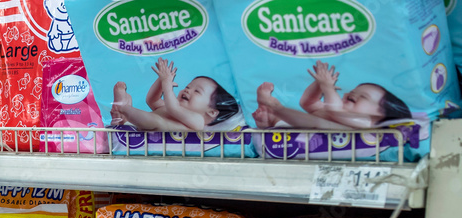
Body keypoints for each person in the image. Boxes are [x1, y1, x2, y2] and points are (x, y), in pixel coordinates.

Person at [253, 61, 411, 130]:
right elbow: (307, 103)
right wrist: (319, 84)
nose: (353, 93)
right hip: (292, 128)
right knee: (277, 121)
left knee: (318, 123)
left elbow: (336, 112)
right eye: (353, 91)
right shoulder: (334, 108)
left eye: (363, 97)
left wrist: (328, 88)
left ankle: (273, 109)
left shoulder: (369, 122)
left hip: (312, 132)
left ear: (383, 115)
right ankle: (269, 117)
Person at [109, 58, 239, 132]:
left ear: (211, 112)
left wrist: (167, 83)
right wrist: (161, 80)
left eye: (197, 91)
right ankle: (122, 113)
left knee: (157, 121)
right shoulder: (172, 106)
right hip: (136, 125)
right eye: (188, 87)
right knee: (129, 100)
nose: (187, 90)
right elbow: (152, 100)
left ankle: (124, 109)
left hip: (151, 127)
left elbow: (173, 108)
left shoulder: (198, 121)